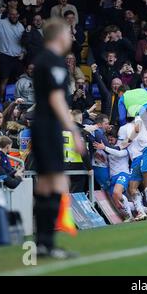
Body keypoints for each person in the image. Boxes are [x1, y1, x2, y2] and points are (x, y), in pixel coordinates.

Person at [31, 18, 85, 259]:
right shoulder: (54, 62)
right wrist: (73, 130)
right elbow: (56, 99)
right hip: (50, 127)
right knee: (58, 182)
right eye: (69, 34)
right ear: (60, 35)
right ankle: (49, 243)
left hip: (40, 126)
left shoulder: (42, 60)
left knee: (44, 183)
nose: (72, 38)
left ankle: (42, 243)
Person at [0, 7, 25, 100]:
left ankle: (19, 102)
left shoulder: (21, 26)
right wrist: (0, 12)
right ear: (8, 15)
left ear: (18, 15)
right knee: (5, 79)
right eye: (12, 14)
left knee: (19, 79)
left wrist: (23, 52)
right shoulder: (1, 23)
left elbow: (24, 42)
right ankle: (1, 102)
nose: (14, 16)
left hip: (17, 57)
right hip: (5, 56)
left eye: (16, 14)